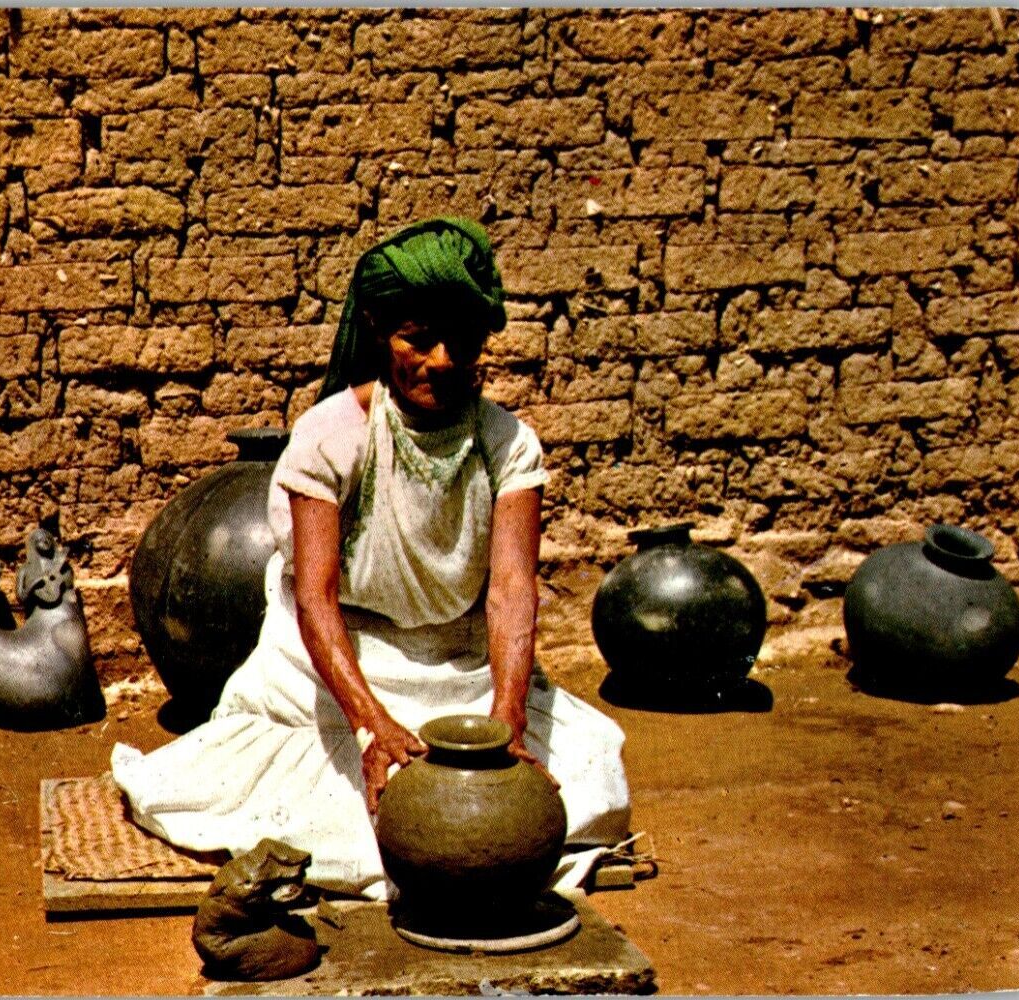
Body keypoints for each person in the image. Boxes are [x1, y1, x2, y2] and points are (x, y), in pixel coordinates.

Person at [112, 217, 631, 899]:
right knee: (329, 826)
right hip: (335, 665)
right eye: (419, 338)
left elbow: (509, 589)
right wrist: (371, 728)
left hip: (461, 659)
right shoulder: (331, 436)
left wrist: (507, 719)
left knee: (592, 777)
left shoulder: (509, 443)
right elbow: (315, 597)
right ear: (382, 333)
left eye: (462, 340)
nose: (442, 359)